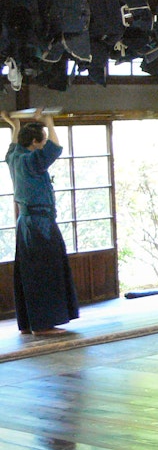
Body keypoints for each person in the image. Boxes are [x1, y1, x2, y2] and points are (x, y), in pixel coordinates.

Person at [2, 109, 79, 335]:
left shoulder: (15, 158)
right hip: (39, 224)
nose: (44, 143)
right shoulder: (31, 161)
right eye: (41, 140)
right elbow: (55, 148)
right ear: (35, 143)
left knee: (29, 270)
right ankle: (43, 325)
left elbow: (14, 143)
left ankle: (29, 323)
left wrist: (13, 124)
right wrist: (49, 122)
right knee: (45, 270)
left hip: (25, 222)